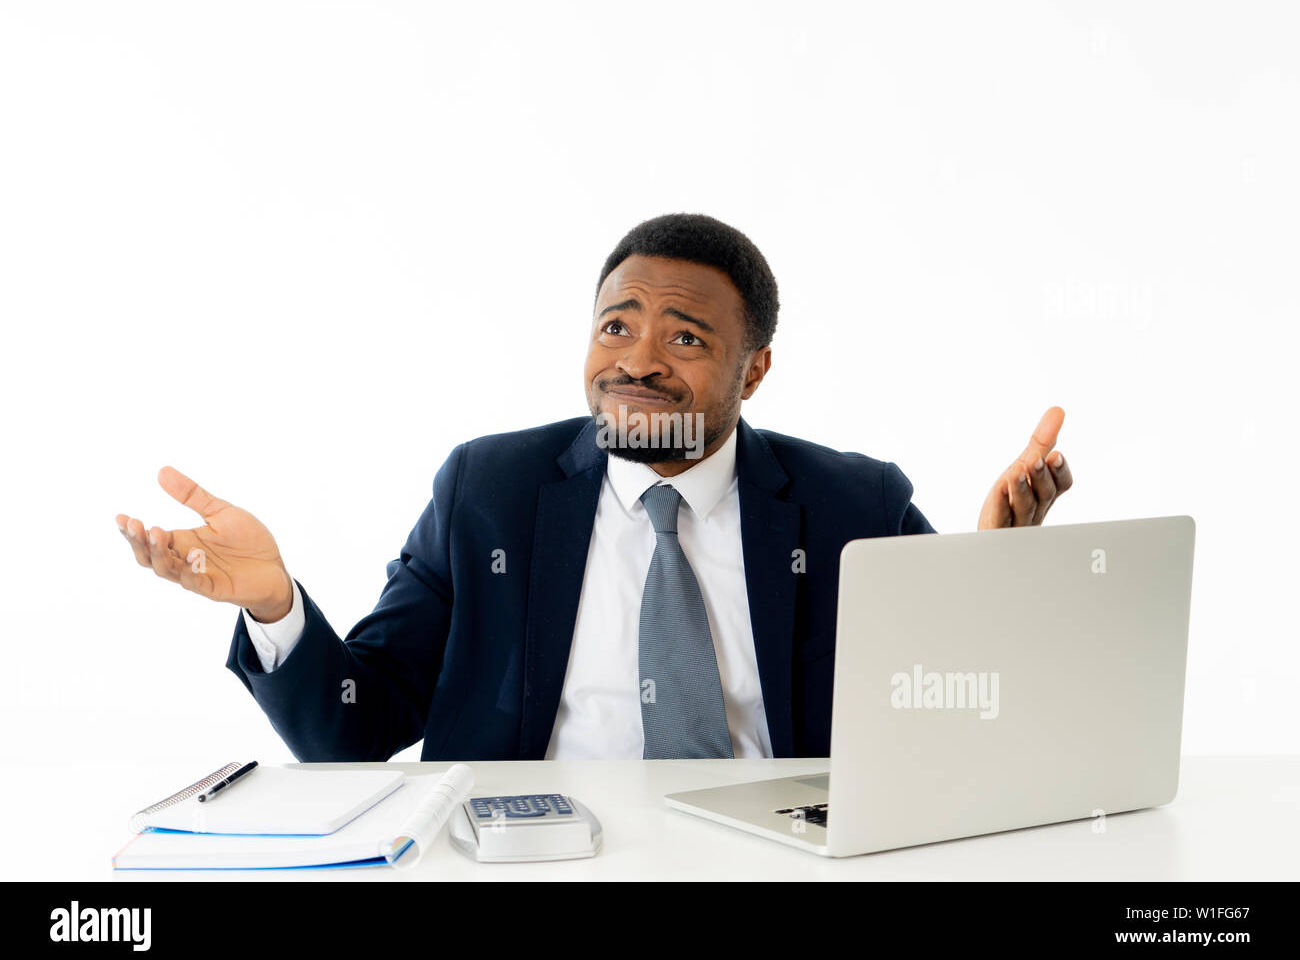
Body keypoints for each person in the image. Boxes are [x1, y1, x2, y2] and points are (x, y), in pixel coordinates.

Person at [115, 213, 1073, 762]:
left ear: (755, 371)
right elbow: (361, 730)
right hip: (533, 862)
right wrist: (279, 608)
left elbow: (958, 712)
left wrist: (992, 569)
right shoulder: (487, 489)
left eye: (686, 338)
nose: (638, 362)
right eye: (617, 326)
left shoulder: (853, 504)